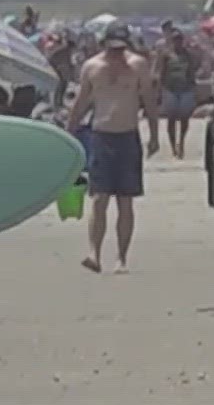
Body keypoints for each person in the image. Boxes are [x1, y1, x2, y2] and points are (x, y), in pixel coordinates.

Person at [66, 21, 157, 273]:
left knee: (125, 201)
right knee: (99, 199)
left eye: (121, 48)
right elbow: (82, 102)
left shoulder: (137, 66)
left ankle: (121, 258)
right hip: (101, 137)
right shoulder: (92, 67)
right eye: (112, 48)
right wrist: (69, 132)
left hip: (128, 136)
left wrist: (155, 135)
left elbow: (148, 101)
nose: (117, 54)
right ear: (103, 43)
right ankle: (94, 253)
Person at [151, 24, 200, 159]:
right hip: (170, 89)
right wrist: (159, 91)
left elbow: (193, 70)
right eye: (175, 40)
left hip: (186, 89)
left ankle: (182, 142)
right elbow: (161, 72)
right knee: (171, 119)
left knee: (185, 119)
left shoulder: (188, 54)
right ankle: (173, 146)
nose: (178, 42)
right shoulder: (166, 55)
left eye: (179, 39)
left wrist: (194, 88)